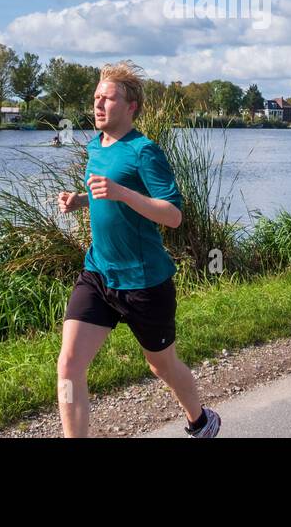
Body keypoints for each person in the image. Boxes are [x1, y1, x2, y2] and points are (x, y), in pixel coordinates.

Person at [55, 61, 220, 438]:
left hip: (144, 282)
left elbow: (173, 215)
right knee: (68, 365)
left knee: (161, 366)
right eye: (96, 97)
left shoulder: (145, 151)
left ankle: (200, 419)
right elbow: (104, 195)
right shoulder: (96, 145)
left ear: (131, 106)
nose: (98, 105)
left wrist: (122, 193)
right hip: (98, 273)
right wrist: (79, 200)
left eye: (107, 99)